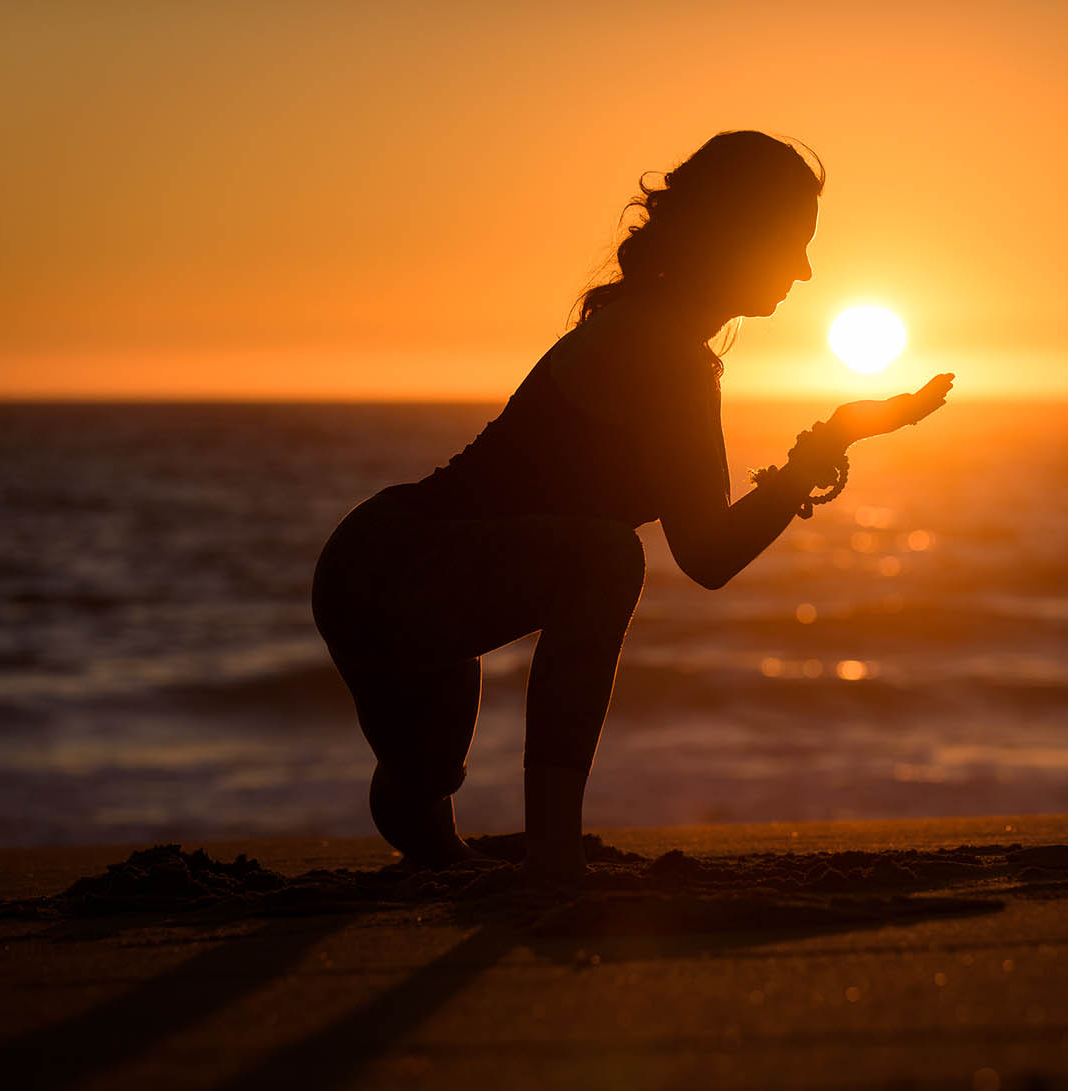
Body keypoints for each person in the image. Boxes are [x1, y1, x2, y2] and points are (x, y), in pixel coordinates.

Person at [310, 130, 954, 880]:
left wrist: (835, 437)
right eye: (792, 243)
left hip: (404, 568)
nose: (806, 270)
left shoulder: (672, 346)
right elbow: (709, 555)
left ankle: (479, 845)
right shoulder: (657, 348)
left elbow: (708, 547)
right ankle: (554, 855)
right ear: (734, 235)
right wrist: (831, 442)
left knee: (426, 787)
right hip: (395, 567)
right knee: (607, 557)